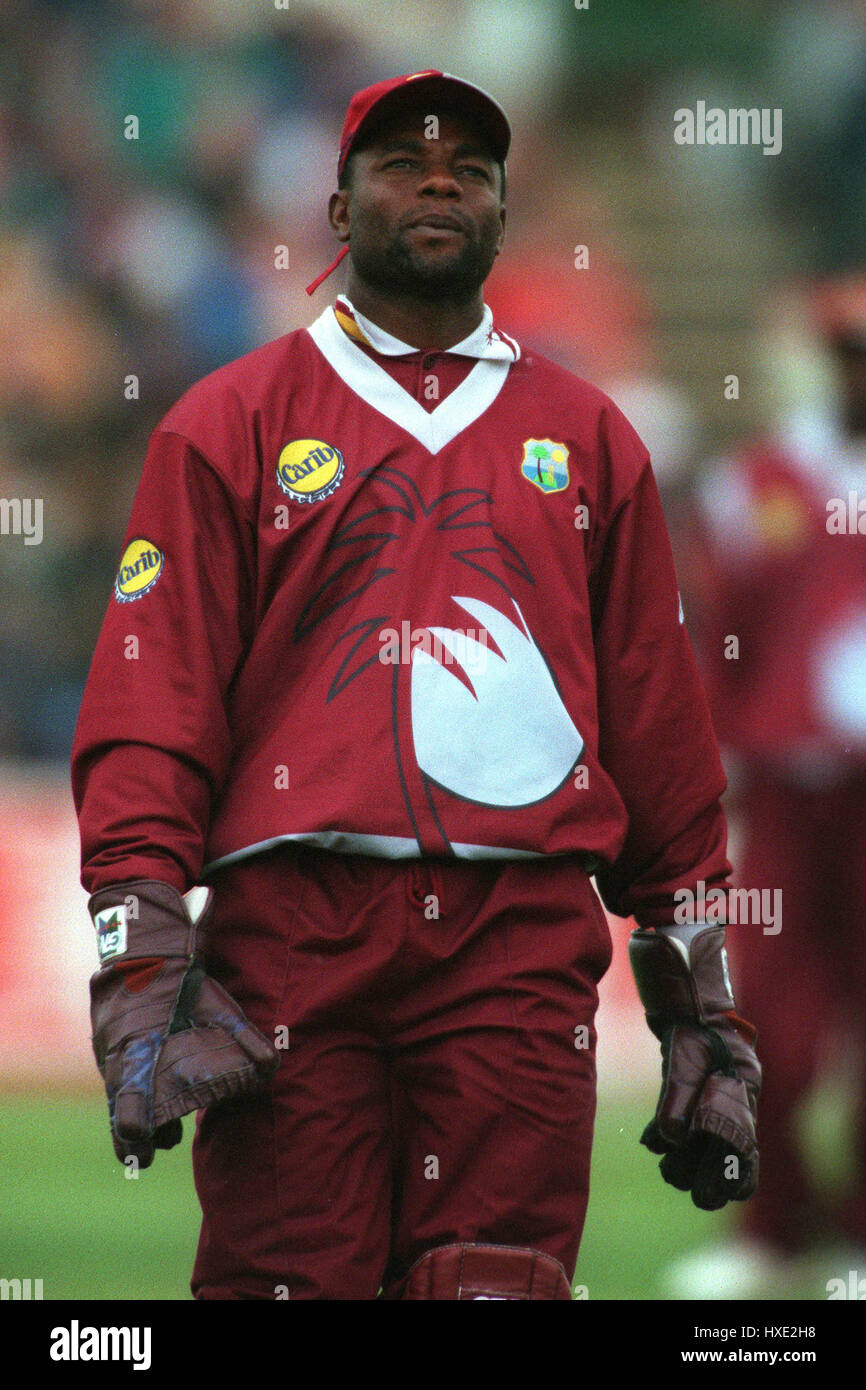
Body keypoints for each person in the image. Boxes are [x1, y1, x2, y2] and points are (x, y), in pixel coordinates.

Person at [71, 70, 760, 1301]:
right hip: (291, 944)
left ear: (503, 214)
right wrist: (140, 949)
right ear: (337, 209)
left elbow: (657, 724)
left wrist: (698, 1002)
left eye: (470, 172)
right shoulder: (225, 423)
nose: (439, 183)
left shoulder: (593, 437)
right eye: (401, 164)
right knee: (285, 1282)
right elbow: (151, 701)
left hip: (517, 946)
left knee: (496, 1286)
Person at [670, 273, 866, 1298]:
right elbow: (718, 646)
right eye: (846, 352)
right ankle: (774, 1227)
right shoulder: (755, 487)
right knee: (773, 1030)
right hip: (790, 796)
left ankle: (855, 1231)